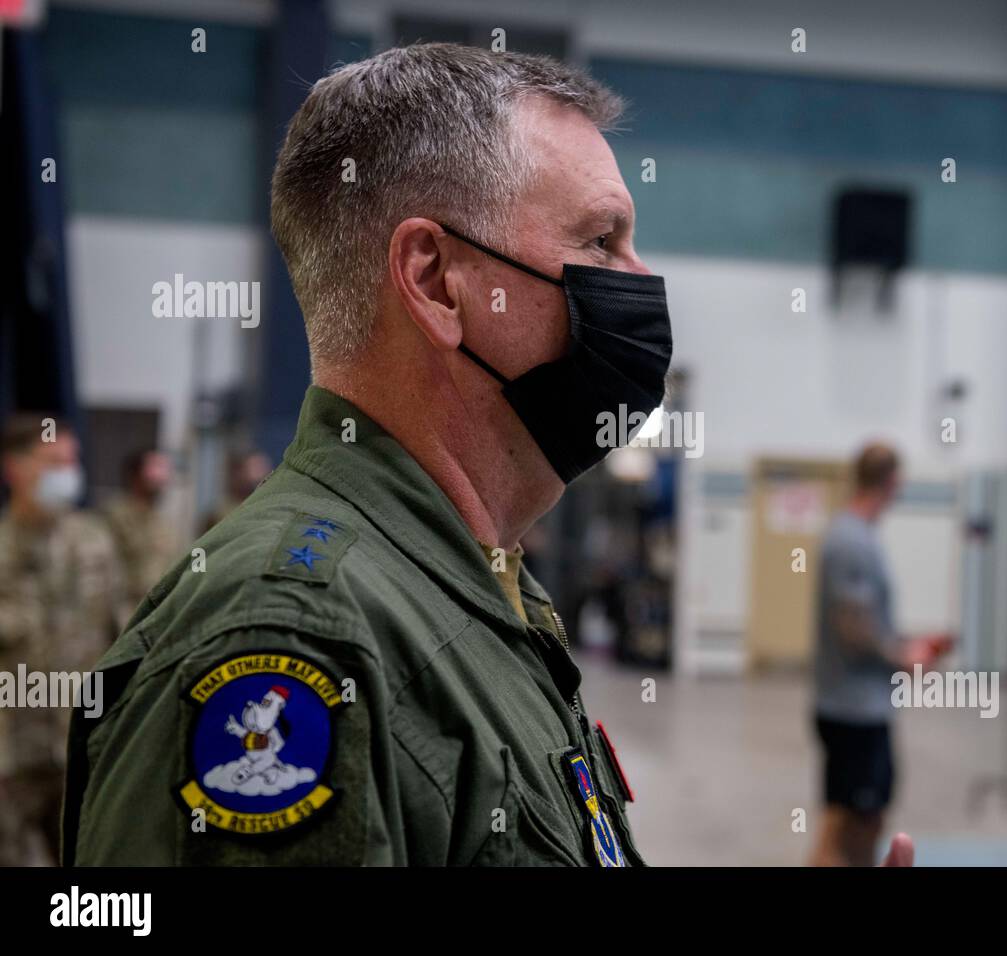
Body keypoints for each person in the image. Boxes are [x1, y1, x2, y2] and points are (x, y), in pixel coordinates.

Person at [65, 42, 681, 867]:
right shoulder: (292, 638)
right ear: (433, 281)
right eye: (602, 240)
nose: (639, 280)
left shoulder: (476, 586)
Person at [0, 414, 122, 865]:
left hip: (80, 747)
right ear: (14, 469)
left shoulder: (95, 541)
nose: (66, 474)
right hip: (11, 759)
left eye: (71, 461)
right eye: (53, 461)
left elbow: (121, 640)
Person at [809, 443, 937, 867]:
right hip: (853, 710)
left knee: (854, 822)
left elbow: (865, 622)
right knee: (848, 827)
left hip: (858, 706)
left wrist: (906, 643)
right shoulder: (851, 542)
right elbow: (855, 631)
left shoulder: (857, 536)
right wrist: (906, 656)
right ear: (891, 482)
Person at [101, 448, 179, 610]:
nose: (162, 475)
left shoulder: (163, 522)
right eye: (156, 467)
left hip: (157, 611)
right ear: (136, 474)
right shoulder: (115, 515)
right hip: (126, 611)